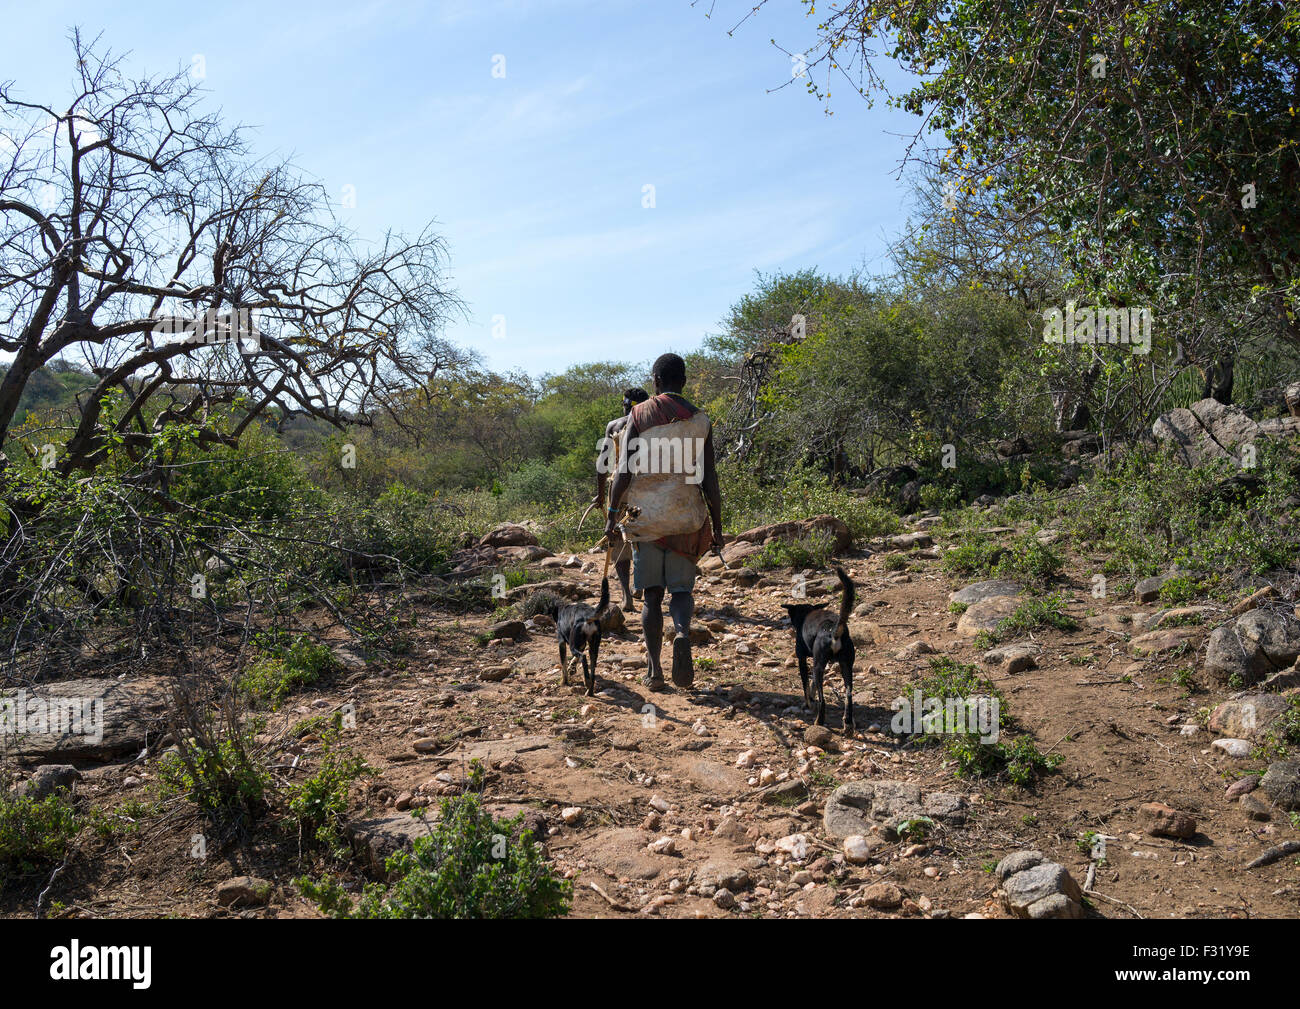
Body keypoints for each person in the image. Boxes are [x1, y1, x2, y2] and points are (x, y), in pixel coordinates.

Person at [605, 354, 722, 691]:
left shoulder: (637, 416)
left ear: (655, 379)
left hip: (647, 519)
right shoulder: (701, 420)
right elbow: (710, 479)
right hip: (687, 517)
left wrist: (612, 518)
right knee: (682, 591)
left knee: (652, 597)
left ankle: (655, 670)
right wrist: (717, 525)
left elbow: (623, 472)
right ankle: (682, 632)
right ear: (683, 381)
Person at [593, 387, 649, 611]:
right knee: (645, 535)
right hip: (647, 487)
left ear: (625, 404)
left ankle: (627, 594)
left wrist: (600, 493)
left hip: (620, 488)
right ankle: (640, 584)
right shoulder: (653, 424)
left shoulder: (614, 425)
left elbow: (603, 463)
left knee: (617, 538)